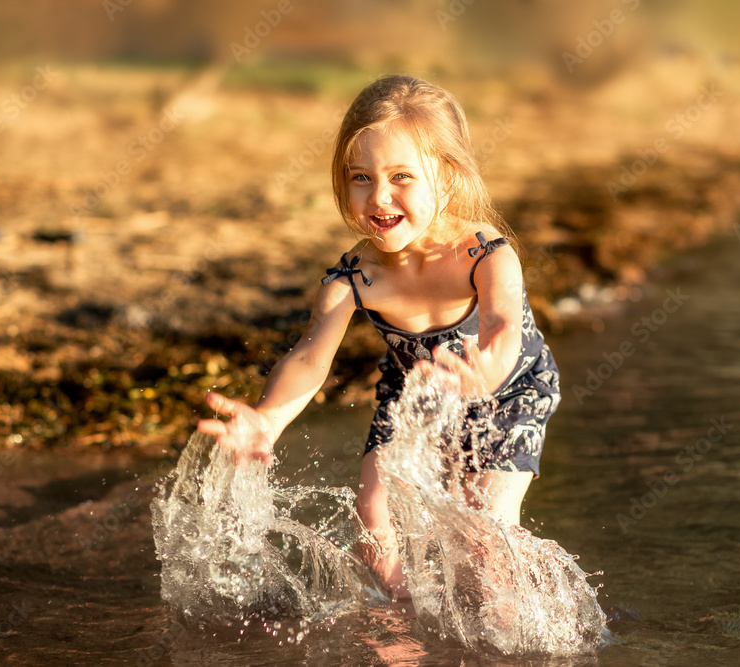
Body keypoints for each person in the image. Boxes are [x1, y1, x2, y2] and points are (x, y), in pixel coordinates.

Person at [197, 74, 561, 600]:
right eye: (361, 177)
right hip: (414, 392)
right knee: (372, 519)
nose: (379, 196)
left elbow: (505, 327)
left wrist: (486, 371)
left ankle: (507, 634)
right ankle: (402, 620)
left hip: (509, 392)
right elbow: (310, 356)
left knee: (485, 534)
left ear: (447, 174)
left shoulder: (485, 254)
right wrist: (268, 420)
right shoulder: (355, 278)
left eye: (402, 177)